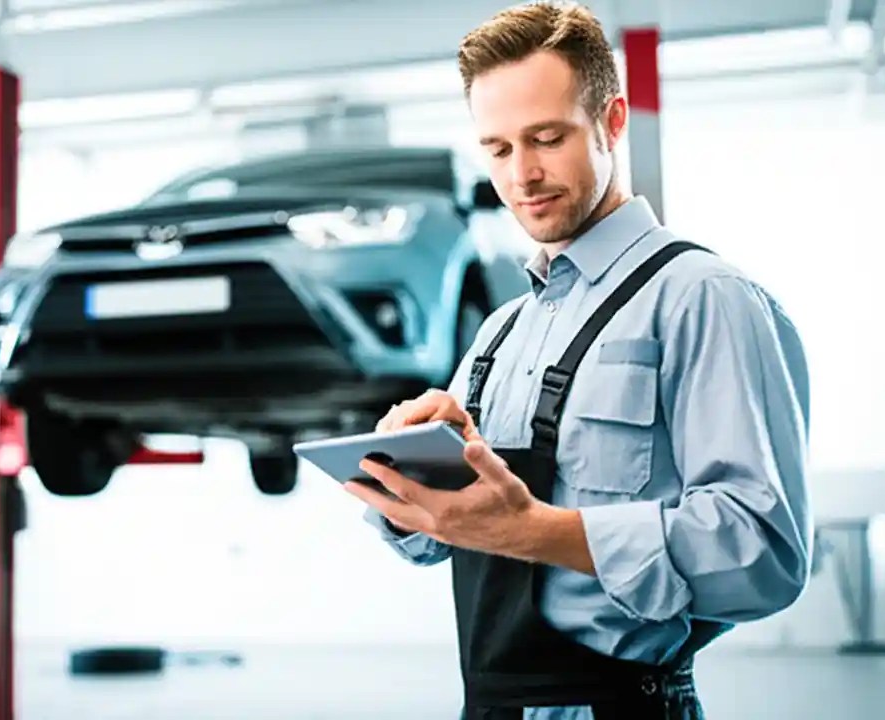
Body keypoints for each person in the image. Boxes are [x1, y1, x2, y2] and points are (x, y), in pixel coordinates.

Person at [341, 2, 813, 719]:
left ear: (612, 121)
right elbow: (448, 543)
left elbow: (765, 555)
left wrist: (535, 530)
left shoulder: (703, 298)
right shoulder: (502, 330)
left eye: (547, 137)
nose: (523, 174)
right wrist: (410, 484)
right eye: (497, 149)